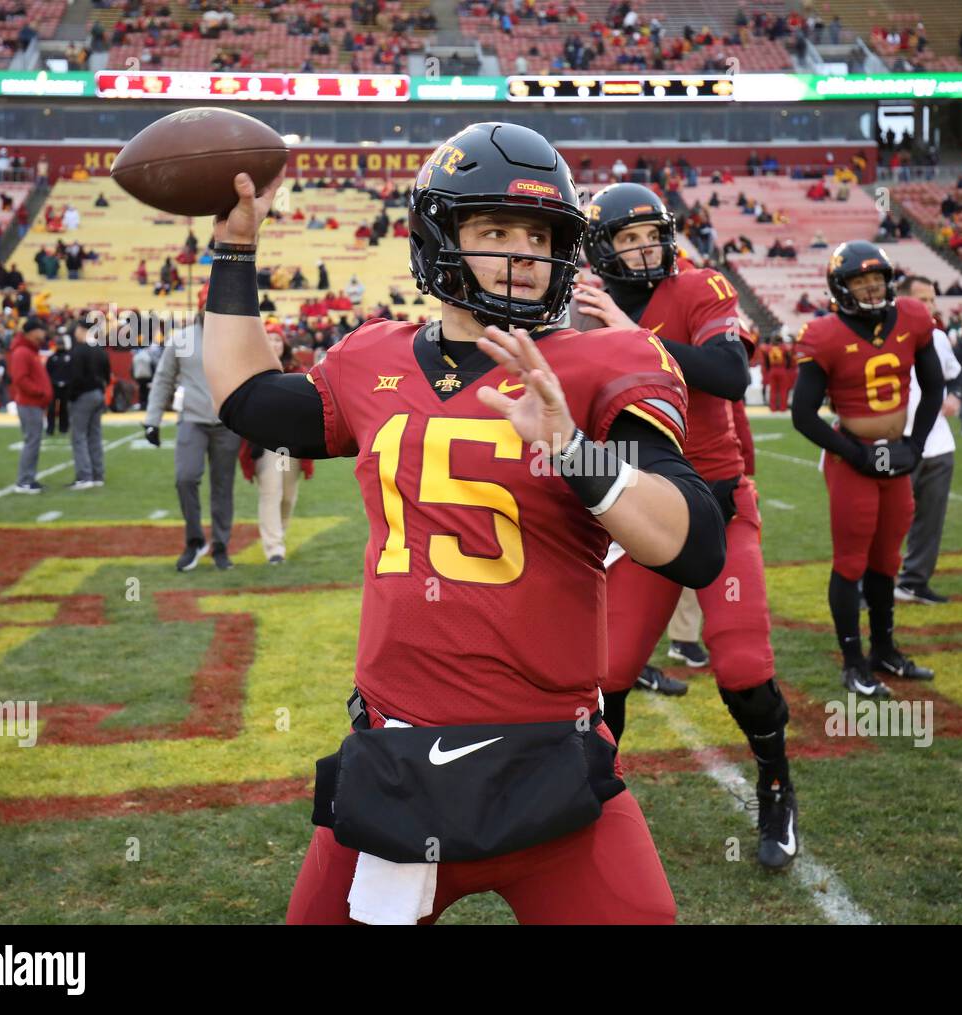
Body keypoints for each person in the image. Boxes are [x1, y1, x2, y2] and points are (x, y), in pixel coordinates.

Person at [202, 123, 725, 925]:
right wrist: (235, 251)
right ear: (439, 238)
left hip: (552, 753)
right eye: (495, 231)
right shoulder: (370, 359)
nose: (523, 253)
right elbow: (248, 398)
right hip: (397, 757)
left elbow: (693, 543)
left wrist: (575, 454)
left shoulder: (601, 361)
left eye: (541, 234)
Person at [574, 182, 796, 869]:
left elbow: (731, 373)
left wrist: (626, 330)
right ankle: (597, 797)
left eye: (651, 235)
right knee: (604, 673)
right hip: (643, 510)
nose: (643, 249)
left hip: (720, 508)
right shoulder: (581, 307)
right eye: (626, 239)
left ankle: (776, 782)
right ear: (600, 250)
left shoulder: (700, 286)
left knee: (742, 669)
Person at [791, 241, 943, 699]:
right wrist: (854, 453)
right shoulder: (824, 333)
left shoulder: (914, 317)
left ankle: (884, 650)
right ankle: (853, 663)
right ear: (841, 288)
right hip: (852, 460)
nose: (871, 287)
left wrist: (914, 446)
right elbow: (803, 414)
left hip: (896, 456)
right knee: (851, 562)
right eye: (860, 281)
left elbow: (934, 386)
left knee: (887, 560)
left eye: (877, 279)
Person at [144, 318, 242, 572]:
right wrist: (152, 420)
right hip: (192, 419)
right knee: (185, 478)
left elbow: (251, 378)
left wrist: (253, 423)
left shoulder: (236, 334)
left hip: (227, 421)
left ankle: (220, 545)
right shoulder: (183, 338)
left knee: (223, 487)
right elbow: (164, 378)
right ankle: (195, 540)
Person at [895, 278, 962, 605]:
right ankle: (870, 585)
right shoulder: (882, 337)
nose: (931, 305)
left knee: (930, 519)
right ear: (903, 301)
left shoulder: (938, 338)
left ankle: (914, 582)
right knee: (885, 520)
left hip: (936, 442)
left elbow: (953, 376)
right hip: (892, 442)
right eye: (923, 299)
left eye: (933, 299)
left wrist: (955, 398)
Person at [239, 330, 313, 563]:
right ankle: (274, 548)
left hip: (291, 443)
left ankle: (279, 532)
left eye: (277, 339)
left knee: (288, 496)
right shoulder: (251, 368)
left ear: (284, 344)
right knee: (271, 491)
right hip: (264, 441)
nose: (273, 343)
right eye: (268, 338)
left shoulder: (297, 370)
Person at [9, 317, 53, 494]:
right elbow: (20, 379)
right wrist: (39, 392)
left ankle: (29, 478)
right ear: (32, 332)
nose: (43, 333)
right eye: (40, 329)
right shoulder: (22, 352)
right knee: (32, 441)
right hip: (29, 403)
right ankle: (24, 481)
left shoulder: (30, 351)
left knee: (34, 441)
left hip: (34, 403)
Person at [66, 319, 110, 489]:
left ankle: (84, 476)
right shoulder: (100, 350)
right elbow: (107, 374)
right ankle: (97, 474)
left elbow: (76, 377)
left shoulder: (79, 350)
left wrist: (71, 395)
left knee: (79, 436)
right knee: (95, 436)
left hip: (83, 396)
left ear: (82, 330)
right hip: (98, 393)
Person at [44, 329, 73, 435]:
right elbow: (47, 372)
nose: (60, 346)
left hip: (66, 386)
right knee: (51, 409)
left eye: (62, 344)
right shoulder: (52, 358)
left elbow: (72, 371)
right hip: (54, 386)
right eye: (59, 344)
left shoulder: (69, 357)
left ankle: (63, 428)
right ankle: (50, 429)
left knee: (64, 408)